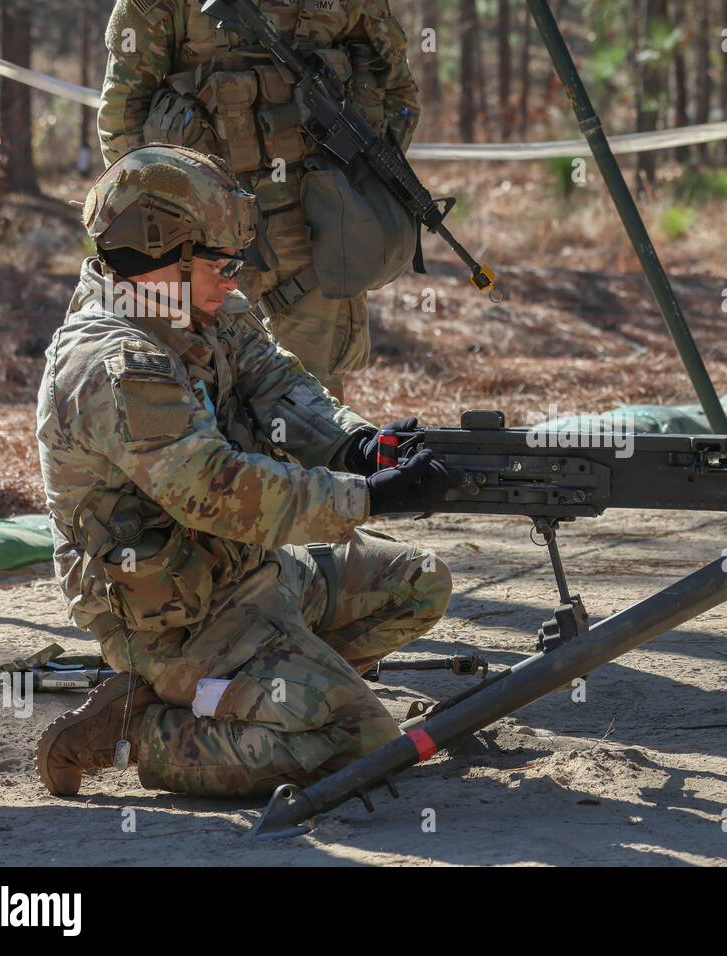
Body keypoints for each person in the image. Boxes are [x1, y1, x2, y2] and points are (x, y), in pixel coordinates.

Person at [34, 144, 456, 799]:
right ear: (161, 252)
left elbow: (277, 384)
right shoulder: (113, 366)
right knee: (363, 744)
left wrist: (357, 446)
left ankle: (253, 693)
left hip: (248, 567)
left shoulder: (199, 306)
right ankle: (137, 727)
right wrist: (363, 498)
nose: (235, 278)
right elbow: (214, 490)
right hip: (176, 615)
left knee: (420, 584)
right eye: (221, 261)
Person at [97, 0, 422, 400]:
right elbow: (124, 112)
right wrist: (160, 224)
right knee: (204, 390)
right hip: (203, 240)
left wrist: (360, 187)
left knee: (315, 402)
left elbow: (397, 92)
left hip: (320, 232)